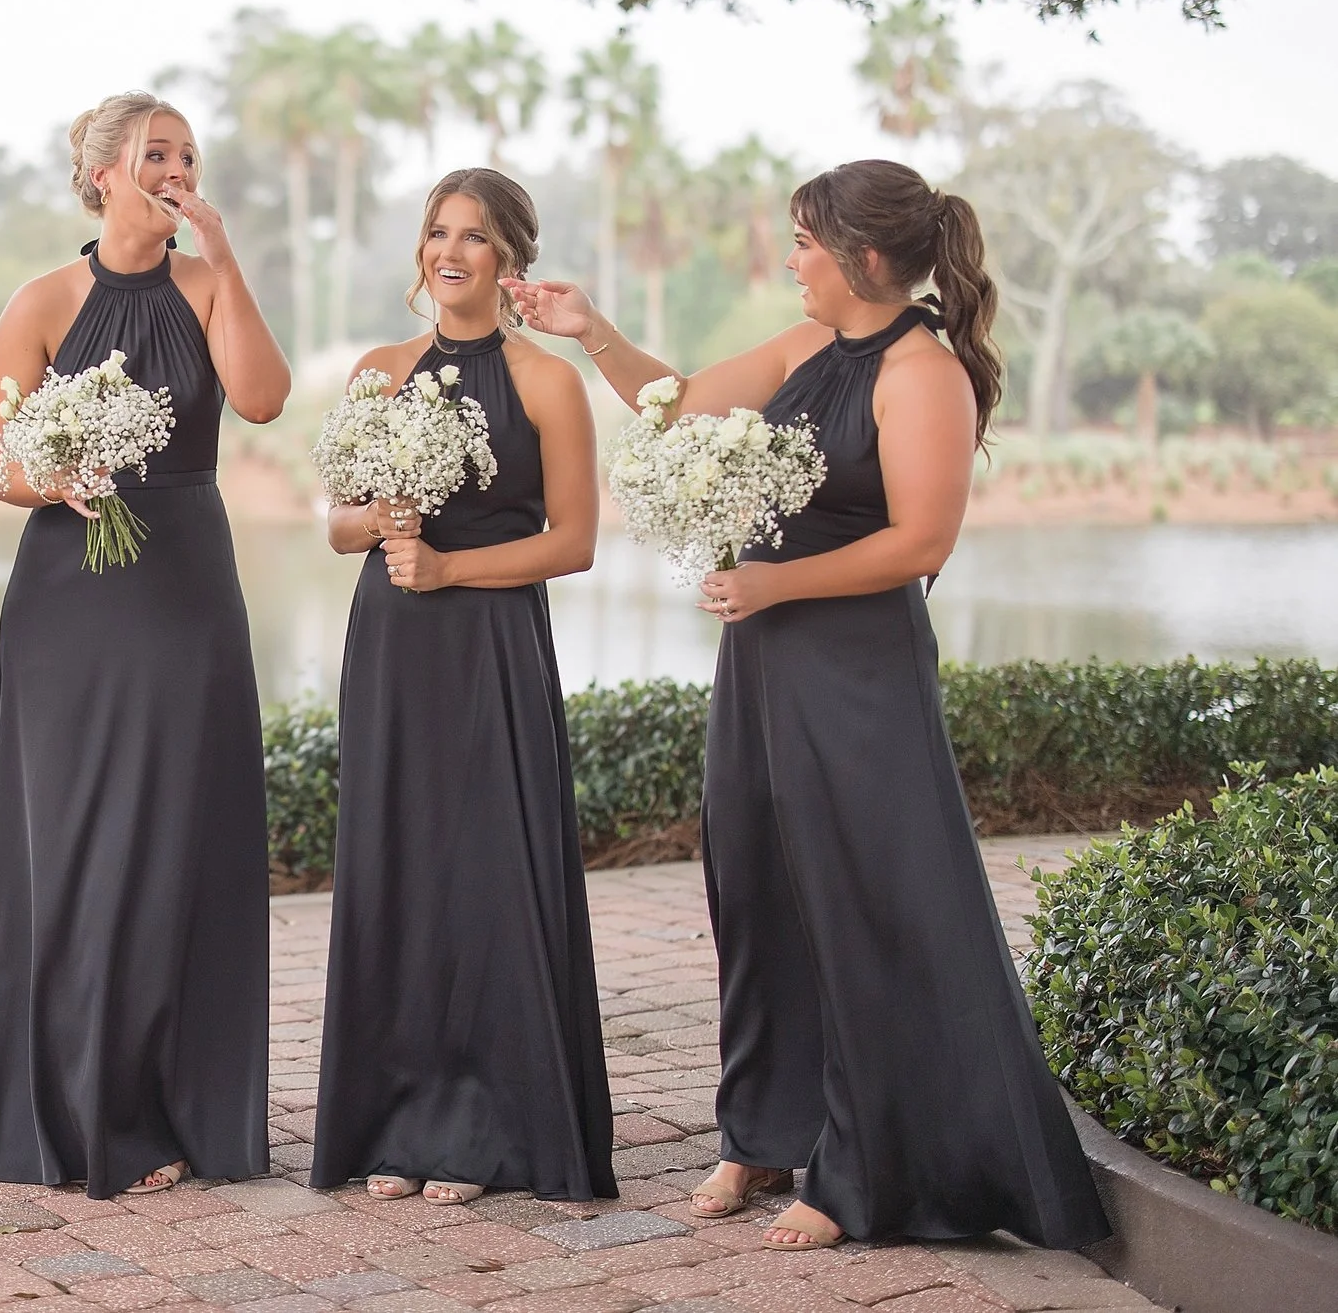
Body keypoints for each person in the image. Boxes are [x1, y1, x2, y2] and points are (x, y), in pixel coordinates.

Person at [510, 158, 1108, 1252]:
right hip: (763, 659)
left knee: (857, 902)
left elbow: (921, 539)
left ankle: (862, 1164)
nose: (790, 261)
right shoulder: (801, 348)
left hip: (857, 673)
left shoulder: (923, 373)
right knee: (755, 885)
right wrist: (591, 331)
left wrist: (776, 582)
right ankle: (761, 1130)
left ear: (863, 257)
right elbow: (681, 408)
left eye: (803, 242)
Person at [0, 91, 290, 1198]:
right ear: (103, 173)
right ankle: (68, 1105)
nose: (175, 170)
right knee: (72, 840)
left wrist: (225, 258)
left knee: (173, 837)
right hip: (68, 596)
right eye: (156, 154)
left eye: (188, 156)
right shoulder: (41, 301)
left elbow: (262, 399)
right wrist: (56, 474)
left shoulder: (206, 285)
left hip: (184, 582)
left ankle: (174, 1104)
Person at [310, 170, 617, 1207]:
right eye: (437, 232)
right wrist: (380, 519)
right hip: (392, 641)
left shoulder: (547, 382)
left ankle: (488, 1126)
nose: (449, 251)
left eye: (474, 237)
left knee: (486, 869)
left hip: (489, 639)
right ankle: (397, 1121)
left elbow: (573, 542)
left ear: (509, 259)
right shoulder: (378, 371)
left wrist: (448, 566)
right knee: (397, 864)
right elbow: (338, 524)